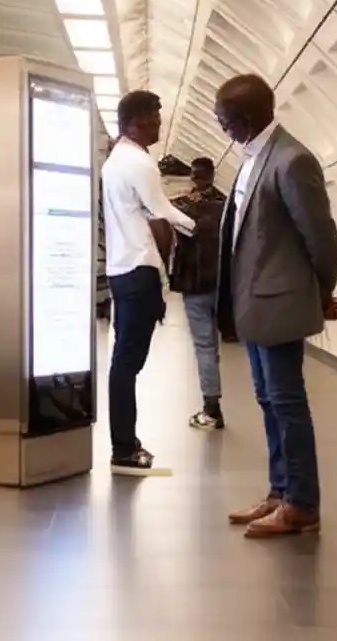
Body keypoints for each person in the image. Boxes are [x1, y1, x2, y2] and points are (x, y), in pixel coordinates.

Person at [213, 74, 337, 538]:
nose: (221, 128)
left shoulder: (292, 161)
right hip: (254, 305)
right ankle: (279, 490)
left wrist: (320, 295)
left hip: (279, 303)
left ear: (246, 119)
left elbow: (323, 239)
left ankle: (302, 503)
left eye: (224, 120)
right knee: (269, 401)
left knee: (288, 404)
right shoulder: (253, 159)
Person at [101, 90, 195, 474]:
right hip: (138, 270)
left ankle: (127, 441)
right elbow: (162, 210)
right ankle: (123, 448)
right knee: (127, 364)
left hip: (123, 270)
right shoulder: (139, 163)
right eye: (155, 119)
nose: (159, 125)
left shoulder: (115, 161)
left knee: (125, 362)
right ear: (136, 123)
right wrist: (200, 225)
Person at [167, 157, 228, 430]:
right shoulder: (228, 205)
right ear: (214, 175)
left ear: (193, 177)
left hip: (194, 283)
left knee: (205, 346)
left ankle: (212, 407)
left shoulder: (182, 205)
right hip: (223, 283)